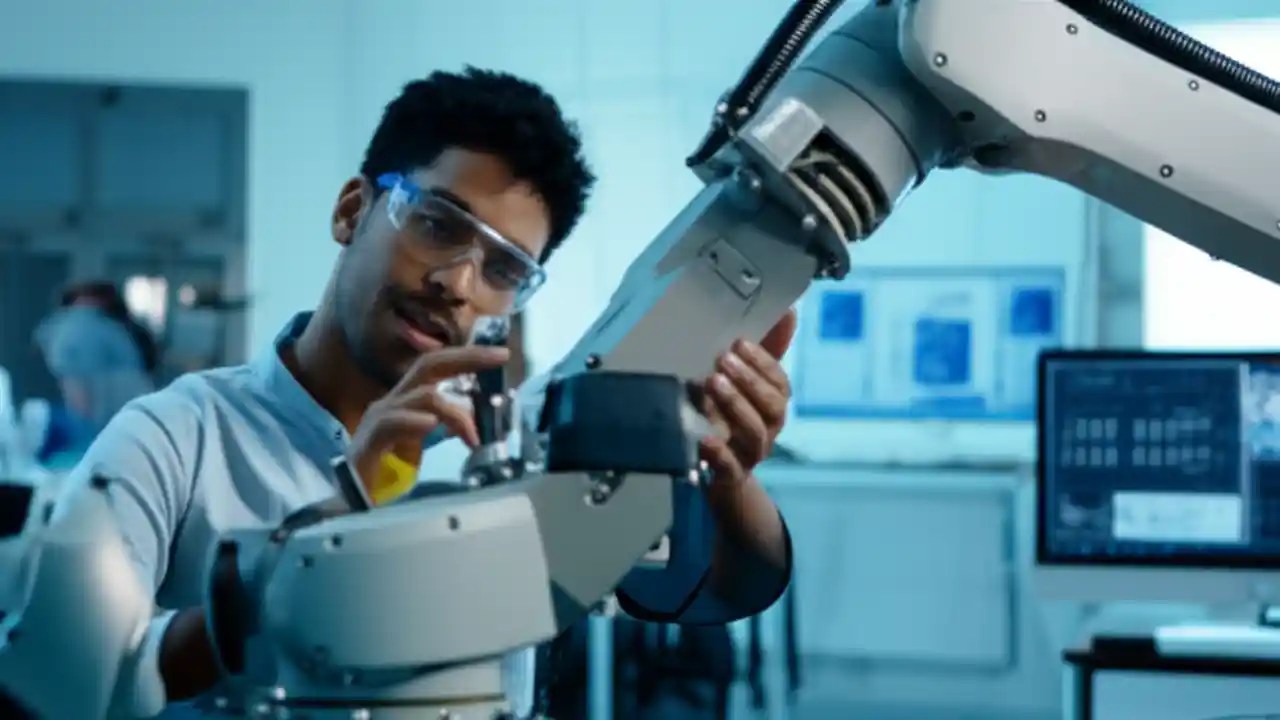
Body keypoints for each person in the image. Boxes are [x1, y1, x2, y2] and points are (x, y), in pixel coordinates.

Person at [60, 67, 797, 718]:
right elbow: (60, 685)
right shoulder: (176, 437)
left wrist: (729, 476)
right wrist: (334, 522)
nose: (456, 283)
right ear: (353, 210)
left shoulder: (524, 448)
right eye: (436, 224)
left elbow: (721, 588)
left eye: (504, 269)